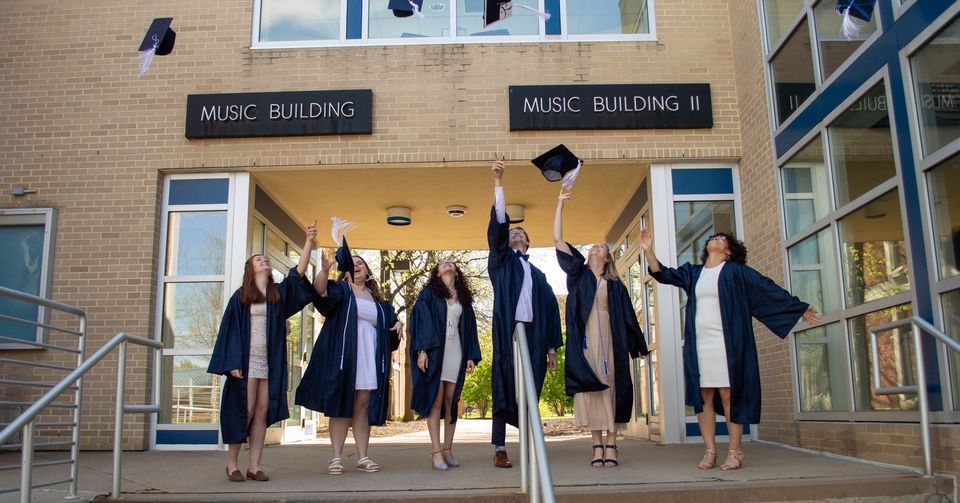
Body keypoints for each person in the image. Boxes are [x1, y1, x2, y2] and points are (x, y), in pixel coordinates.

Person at [638, 228, 820, 471]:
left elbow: (767, 288)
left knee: (728, 393)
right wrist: (648, 249)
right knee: (704, 397)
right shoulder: (694, 273)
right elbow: (662, 273)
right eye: (713, 238)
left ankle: (735, 452)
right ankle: (710, 450)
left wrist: (799, 307)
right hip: (700, 344)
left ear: (729, 252)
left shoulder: (736, 272)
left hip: (729, 344)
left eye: (721, 239)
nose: (715, 239)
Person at [207, 223, 318, 482]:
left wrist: (309, 242)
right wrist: (232, 361)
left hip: (269, 362)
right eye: (258, 259)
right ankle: (232, 463)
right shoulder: (240, 297)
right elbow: (229, 332)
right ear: (251, 269)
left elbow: (298, 274)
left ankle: (254, 466)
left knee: (262, 410)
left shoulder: (277, 296)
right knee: (244, 410)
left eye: (265, 258)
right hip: (245, 362)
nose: (264, 259)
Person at [553, 188, 648, 468]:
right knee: (590, 387)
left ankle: (612, 445)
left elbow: (629, 317)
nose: (594, 248)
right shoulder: (578, 274)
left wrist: (638, 346)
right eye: (592, 247)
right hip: (585, 341)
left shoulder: (615, 286)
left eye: (600, 247)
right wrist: (560, 203)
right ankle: (597, 445)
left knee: (612, 387)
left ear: (607, 257)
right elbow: (557, 239)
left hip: (611, 339)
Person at [295, 238, 403, 475]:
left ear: (367, 271)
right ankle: (336, 457)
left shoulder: (379, 302)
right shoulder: (341, 290)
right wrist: (324, 270)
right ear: (346, 271)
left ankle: (363, 456)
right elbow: (320, 290)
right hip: (344, 356)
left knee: (362, 404)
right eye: (352, 262)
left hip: (368, 356)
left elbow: (391, 324)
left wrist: (399, 325)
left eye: (361, 263)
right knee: (341, 405)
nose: (357, 265)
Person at [487, 155, 562, 468]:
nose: (516, 234)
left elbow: (551, 314)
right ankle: (500, 448)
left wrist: (552, 348)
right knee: (503, 385)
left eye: (521, 234)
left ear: (529, 244)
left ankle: (530, 442)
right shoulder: (501, 263)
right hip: (509, 332)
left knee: (531, 386)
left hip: (533, 336)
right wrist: (498, 182)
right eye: (512, 234)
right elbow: (498, 227)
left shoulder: (539, 276)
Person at [409, 259, 482, 471]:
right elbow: (420, 323)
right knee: (436, 398)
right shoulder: (429, 294)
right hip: (435, 351)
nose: (447, 265)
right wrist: (422, 350)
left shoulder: (464, 299)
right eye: (442, 264)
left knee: (452, 400)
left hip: (455, 351)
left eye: (450, 263)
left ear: (456, 272)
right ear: (438, 273)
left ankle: (448, 448)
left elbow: (470, 329)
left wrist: (470, 355)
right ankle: (435, 451)